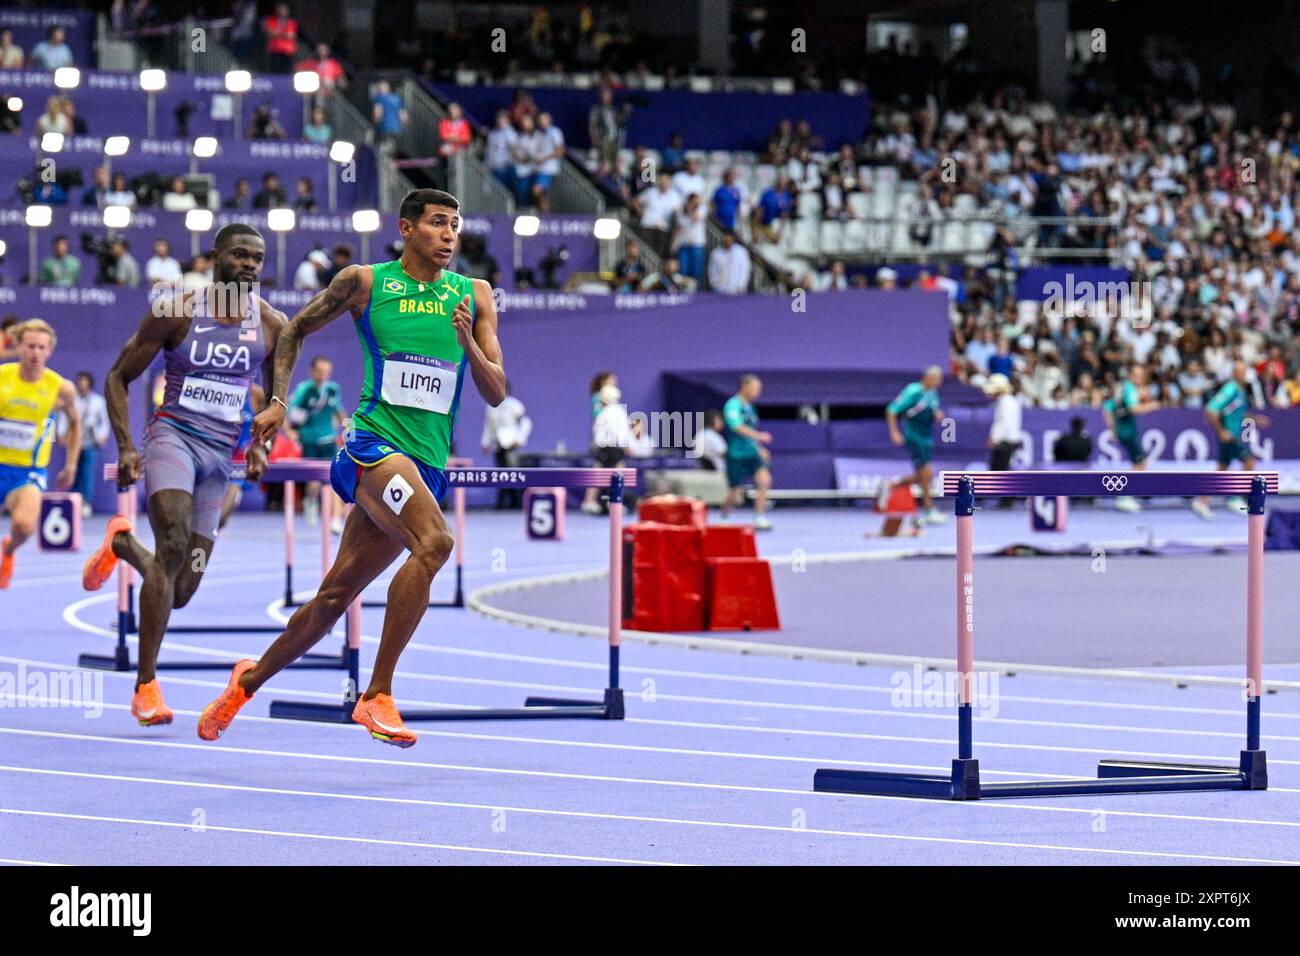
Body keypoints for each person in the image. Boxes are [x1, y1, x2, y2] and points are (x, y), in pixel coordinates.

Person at [195, 188, 507, 749]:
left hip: (426, 463)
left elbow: (497, 392)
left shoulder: (475, 295)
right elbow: (292, 329)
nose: (449, 235)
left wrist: (469, 343)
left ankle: (248, 682)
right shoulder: (365, 282)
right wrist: (279, 401)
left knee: (335, 598)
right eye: (437, 223)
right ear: (406, 229)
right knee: (435, 544)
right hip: (370, 445)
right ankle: (378, 695)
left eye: (455, 226)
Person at [79, 223, 284, 728]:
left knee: (183, 587)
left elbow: (273, 400)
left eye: (257, 258)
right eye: (239, 255)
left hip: (220, 460)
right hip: (173, 439)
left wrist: (260, 446)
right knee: (170, 547)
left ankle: (122, 544)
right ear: (214, 257)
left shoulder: (272, 323)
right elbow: (118, 376)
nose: (250, 265)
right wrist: (127, 446)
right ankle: (146, 685)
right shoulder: (177, 309)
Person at [0, 320, 81, 589]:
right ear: (19, 347)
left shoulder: (60, 388)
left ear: (49, 352)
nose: (35, 352)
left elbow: (75, 422)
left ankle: (9, 551)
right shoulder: (3, 376)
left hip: (27, 472)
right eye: (30, 346)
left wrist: (70, 465)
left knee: (24, 526)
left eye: (41, 347)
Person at [1193, 360, 1267, 520]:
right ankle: (1234, 498)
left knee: (1221, 469)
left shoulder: (1240, 390)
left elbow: (1238, 411)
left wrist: (1255, 418)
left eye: (1244, 371)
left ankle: (1202, 501)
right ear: (1234, 373)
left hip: (1233, 434)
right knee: (1249, 462)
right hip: (1230, 436)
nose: (1243, 374)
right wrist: (1221, 431)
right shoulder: (1230, 388)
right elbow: (1210, 409)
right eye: (1239, 371)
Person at [287, 356, 346, 532]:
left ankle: (335, 520)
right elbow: (292, 415)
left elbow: (339, 412)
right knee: (314, 482)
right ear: (312, 371)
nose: (323, 375)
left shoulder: (334, 389)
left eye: (326, 371)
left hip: (329, 440)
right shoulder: (303, 390)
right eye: (319, 371)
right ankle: (311, 499)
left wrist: (346, 428)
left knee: (334, 480)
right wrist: (291, 433)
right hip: (309, 440)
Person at [885, 365, 945, 525]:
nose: (940, 382)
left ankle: (891, 485)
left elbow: (931, 411)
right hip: (914, 436)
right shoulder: (913, 391)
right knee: (927, 472)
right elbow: (891, 410)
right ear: (928, 377)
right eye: (938, 379)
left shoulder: (932, 393)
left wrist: (936, 415)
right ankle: (928, 509)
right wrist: (894, 432)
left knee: (924, 476)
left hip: (926, 437)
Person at [1102, 364, 1160, 513]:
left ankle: (1126, 496)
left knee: (1138, 463)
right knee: (1140, 463)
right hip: (1128, 432)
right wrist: (1151, 405)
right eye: (1137, 374)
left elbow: (1108, 408)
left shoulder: (1121, 388)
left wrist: (1113, 429)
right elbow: (1134, 408)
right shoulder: (1130, 389)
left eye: (1141, 375)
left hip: (1123, 431)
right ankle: (1125, 497)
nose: (1139, 378)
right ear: (1131, 375)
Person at [720, 374, 773, 530]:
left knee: (764, 480)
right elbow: (737, 427)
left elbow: (751, 430)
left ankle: (759, 517)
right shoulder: (732, 405)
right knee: (734, 492)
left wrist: (759, 448)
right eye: (756, 388)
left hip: (752, 453)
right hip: (736, 454)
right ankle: (724, 518)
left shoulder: (751, 407)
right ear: (745, 387)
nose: (758, 391)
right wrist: (760, 436)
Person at [57, 371, 110, 517]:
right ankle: (72, 503)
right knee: (71, 471)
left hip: (90, 442)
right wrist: (61, 434)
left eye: (84, 382)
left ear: (89, 384)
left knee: (87, 474)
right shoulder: (71, 399)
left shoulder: (99, 401)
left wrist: (102, 436)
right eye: (79, 382)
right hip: (73, 442)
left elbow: (104, 422)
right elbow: (63, 417)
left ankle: (85, 503)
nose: (81, 384)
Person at [481, 381, 531, 509]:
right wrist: (485, 442)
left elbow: (526, 422)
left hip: (511, 444)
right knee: (500, 474)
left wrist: (519, 439)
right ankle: (502, 502)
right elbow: (488, 427)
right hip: (498, 444)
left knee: (513, 474)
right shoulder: (490, 407)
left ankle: (518, 503)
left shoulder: (514, 405)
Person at [582, 371, 616, 513]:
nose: (614, 383)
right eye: (611, 381)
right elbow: (598, 419)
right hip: (602, 440)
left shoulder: (612, 399)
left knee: (608, 471)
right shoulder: (598, 398)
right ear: (603, 382)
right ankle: (589, 501)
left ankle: (610, 502)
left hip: (609, 441)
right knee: (598, 471)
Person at [262, 3, 298, 74]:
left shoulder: (292, 22)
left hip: (288, 51)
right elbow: (270, 33)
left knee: (287, 72)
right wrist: (284, 34)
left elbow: (290, 36)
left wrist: (277, 33)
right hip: (275, 50)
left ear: (287, 11)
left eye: (283, 9)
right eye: (280, 9)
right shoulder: (271, 21)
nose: (281, 11)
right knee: (275, 71)